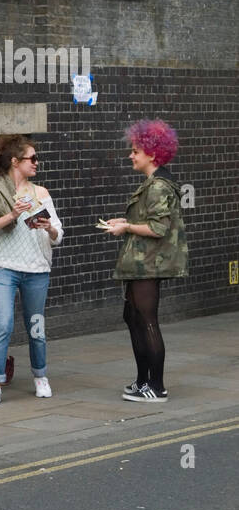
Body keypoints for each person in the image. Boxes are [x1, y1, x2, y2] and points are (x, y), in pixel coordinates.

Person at [102, 119, 187, 402]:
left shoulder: (158, 186)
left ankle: (157, 386)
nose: (131, 155)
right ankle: (142, 382)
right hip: (140, 263)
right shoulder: (153, 184)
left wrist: (126, 227)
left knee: (147, 321)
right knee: (133, 317)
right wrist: (126, 221)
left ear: (152, 154)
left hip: (148, 263)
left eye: (136, 151)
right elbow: (149, 222)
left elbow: (158, 228)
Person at [0, 135, 62, 406]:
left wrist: (48, 228)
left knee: (36, 326)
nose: (37, 163)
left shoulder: (41, 193)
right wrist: (12, 215)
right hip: (3, 267)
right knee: (3, 324)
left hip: (37, 269)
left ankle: (40, 376)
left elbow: (59, 235)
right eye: (32, 158)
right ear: (15, 161)